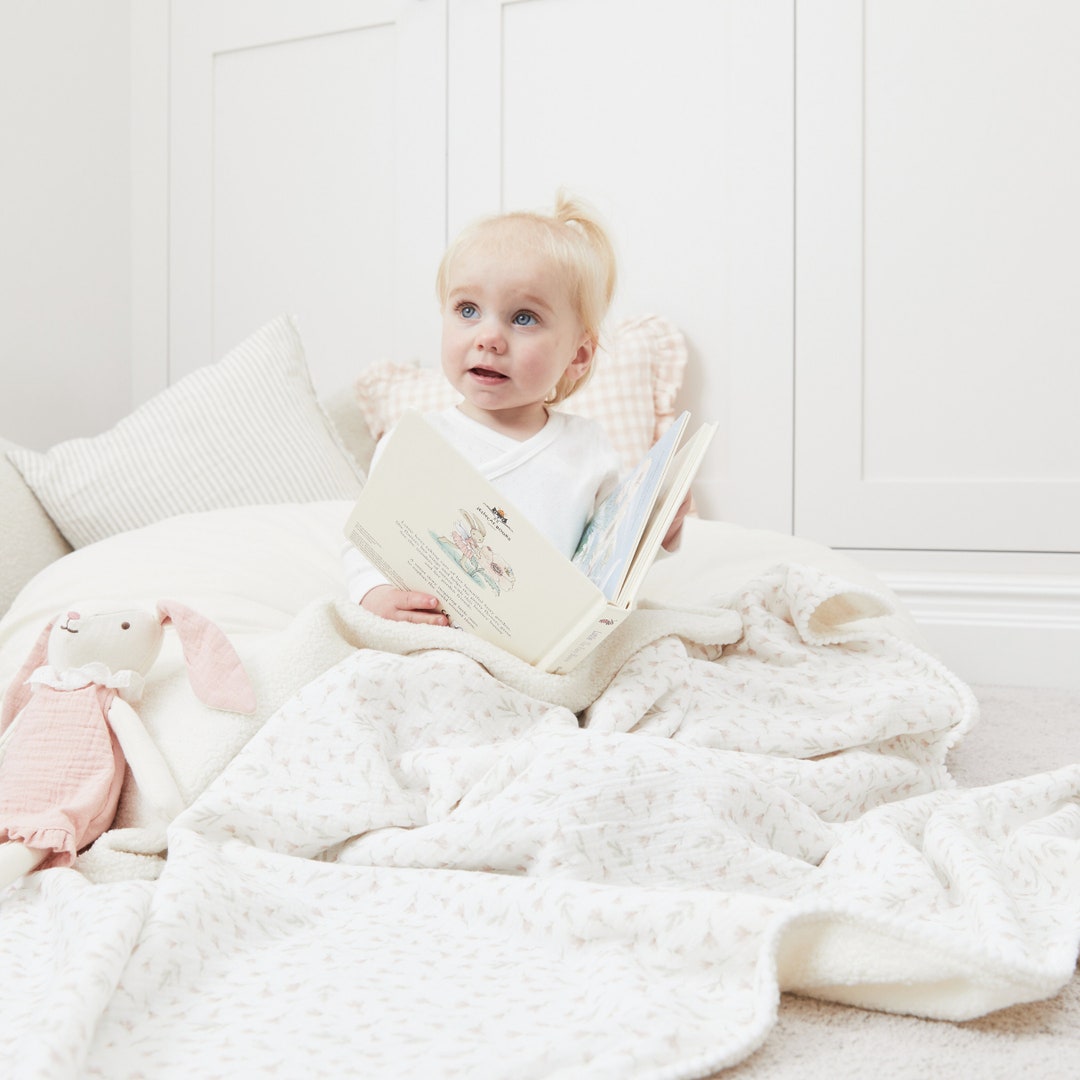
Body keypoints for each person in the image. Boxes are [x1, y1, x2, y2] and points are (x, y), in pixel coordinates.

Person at [343, 191, 688, 624]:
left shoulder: (588, 448)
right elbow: (365, 541)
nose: (488, 337)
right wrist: (373, 593)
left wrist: (657, 528)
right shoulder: (414, 441)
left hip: (539, 641)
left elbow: (606, 560)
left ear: (578, 356)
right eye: (467, 309)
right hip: (436, 633)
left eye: (523, 317)